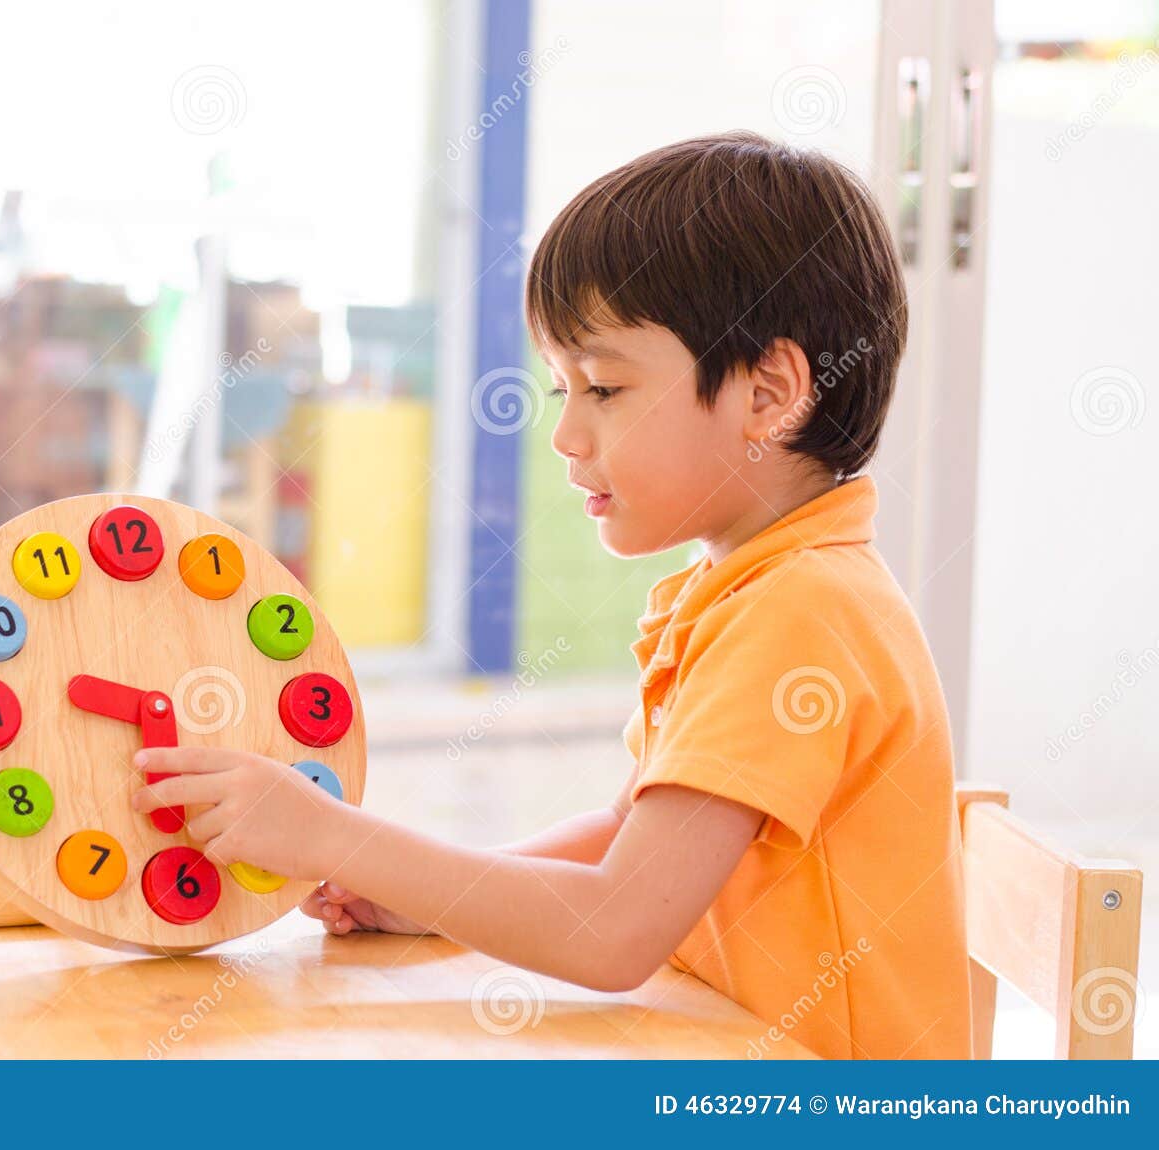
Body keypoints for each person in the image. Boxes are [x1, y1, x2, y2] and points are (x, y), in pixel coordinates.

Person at [134, 131, 971, 1059]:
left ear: (769, 394)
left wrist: (333, 837)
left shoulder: (800, 613)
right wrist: (428, 899)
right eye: (560, 389)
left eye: (604, 387)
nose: (566, 434)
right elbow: (628, 835)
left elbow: (615, 932)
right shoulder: (759, 587)